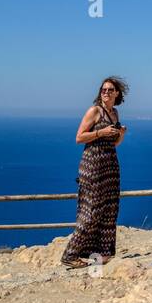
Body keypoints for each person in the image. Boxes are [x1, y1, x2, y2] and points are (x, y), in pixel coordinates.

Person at [62, 77, 128, 268]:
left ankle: (99, 255)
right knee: (91, 211)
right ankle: (70, 254)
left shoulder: (114, 113)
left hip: (110, 165)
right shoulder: (94, 111)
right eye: (103, 89)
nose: (106, 92)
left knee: (109, 209)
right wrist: (100, 132)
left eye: (110, 90)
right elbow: (79, 137)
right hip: (93, 165)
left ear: (117, 93)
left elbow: (113, 143)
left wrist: (120, 134)